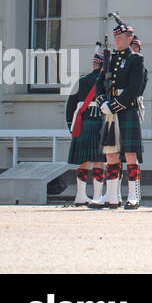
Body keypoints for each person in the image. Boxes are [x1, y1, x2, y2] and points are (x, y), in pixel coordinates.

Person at [94, 16, 146, 209]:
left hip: (126, 108)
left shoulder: (135, 59)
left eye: (120, 37)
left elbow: (135, 88)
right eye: (115, 38)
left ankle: (133, 196)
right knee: (111, 154)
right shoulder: (111, 58)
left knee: (131, 153)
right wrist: (101, 101)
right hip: (109, 109)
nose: (116, 41)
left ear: (128, 38)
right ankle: (112, 196)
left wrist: (115, 105)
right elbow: (99, 84)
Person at [65, 49, 106, 206]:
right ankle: (97, 196)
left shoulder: (81, 81)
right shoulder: (105, 82)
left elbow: (70, 106)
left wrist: (71, 127)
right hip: (99, 123)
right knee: (98, 162)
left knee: (84, 161)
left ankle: (80, 195)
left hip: (83, 124)